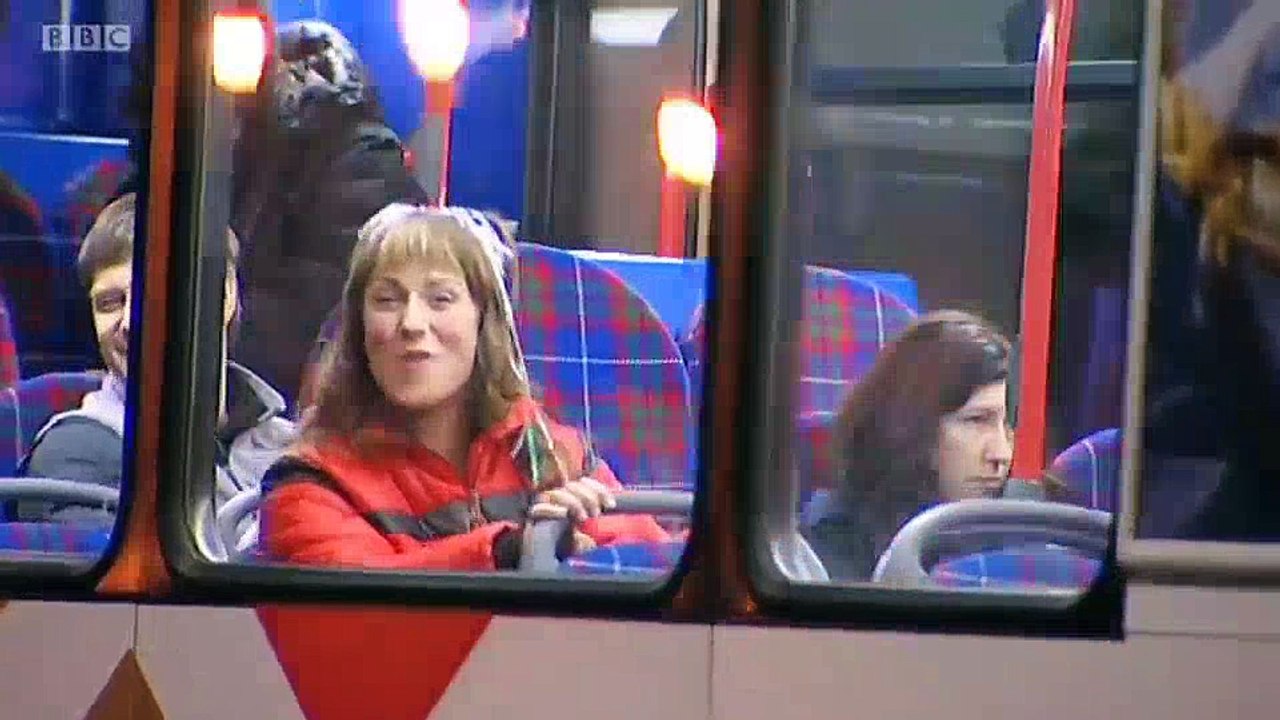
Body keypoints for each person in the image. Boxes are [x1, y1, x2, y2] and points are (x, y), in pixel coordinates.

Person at [261, 204, 669, 570]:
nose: (411, 323)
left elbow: (652, 561)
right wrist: (512, 551)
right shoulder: (311, 481)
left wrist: (581, 549)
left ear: (484, 323)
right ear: (359, 332)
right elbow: (360, 602)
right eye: (387, 300)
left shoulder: (554, 454)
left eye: (440, 299)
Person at [18, 193, 295, 557]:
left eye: (154, 293)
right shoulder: (72, 455)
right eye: (109, 303)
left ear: (225, 296)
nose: (130, 322)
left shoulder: (292, 445)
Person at [230, 20, 431, 404]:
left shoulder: (362, 162)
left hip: (308, 394)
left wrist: (206, 334)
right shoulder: (240, 154)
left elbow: (318, 314)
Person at [803, 311, 1014, 581]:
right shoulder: (828, 553)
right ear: (910, 426)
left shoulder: (1017, 540)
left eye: (1005, 425)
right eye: (976, 420)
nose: (1001, 454)